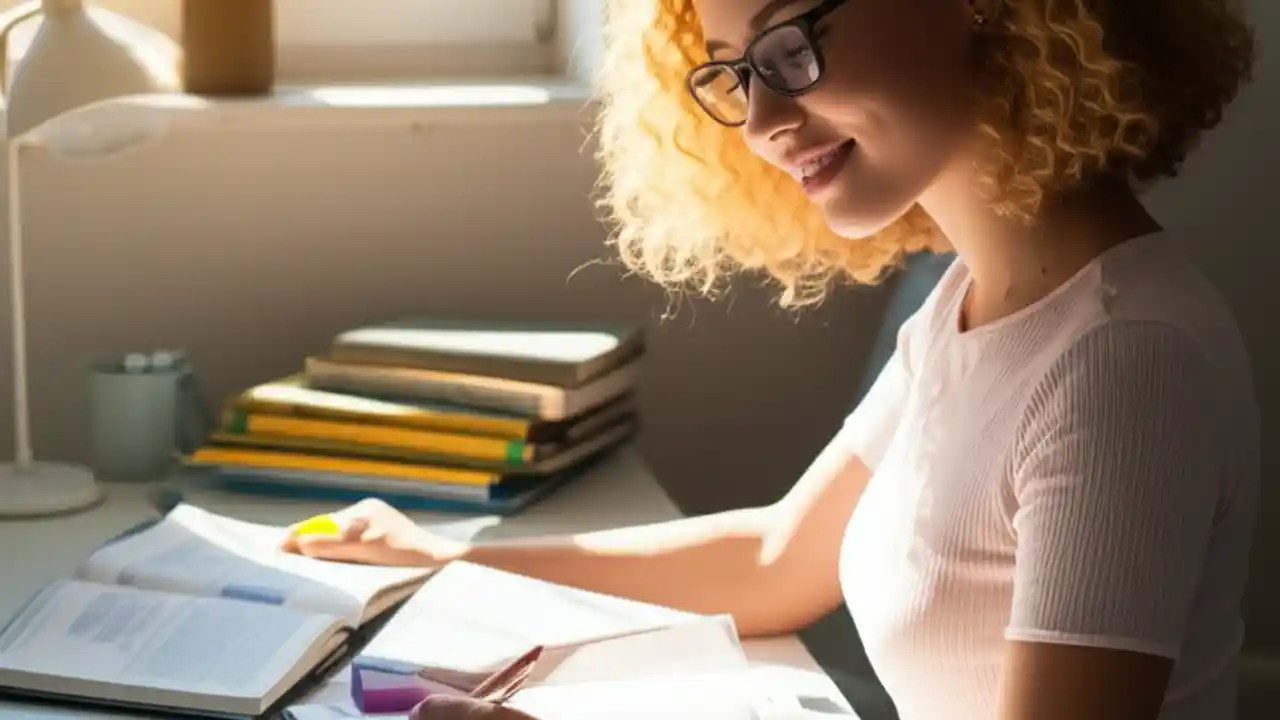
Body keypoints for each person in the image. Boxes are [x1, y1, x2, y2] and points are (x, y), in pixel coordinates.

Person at [282, 1, 1261, 718]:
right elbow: (776, 560)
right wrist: (446, 562)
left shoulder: (1125, 364)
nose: (758, 124)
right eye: (732, 73)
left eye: (790, 48)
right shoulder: (968, 304)